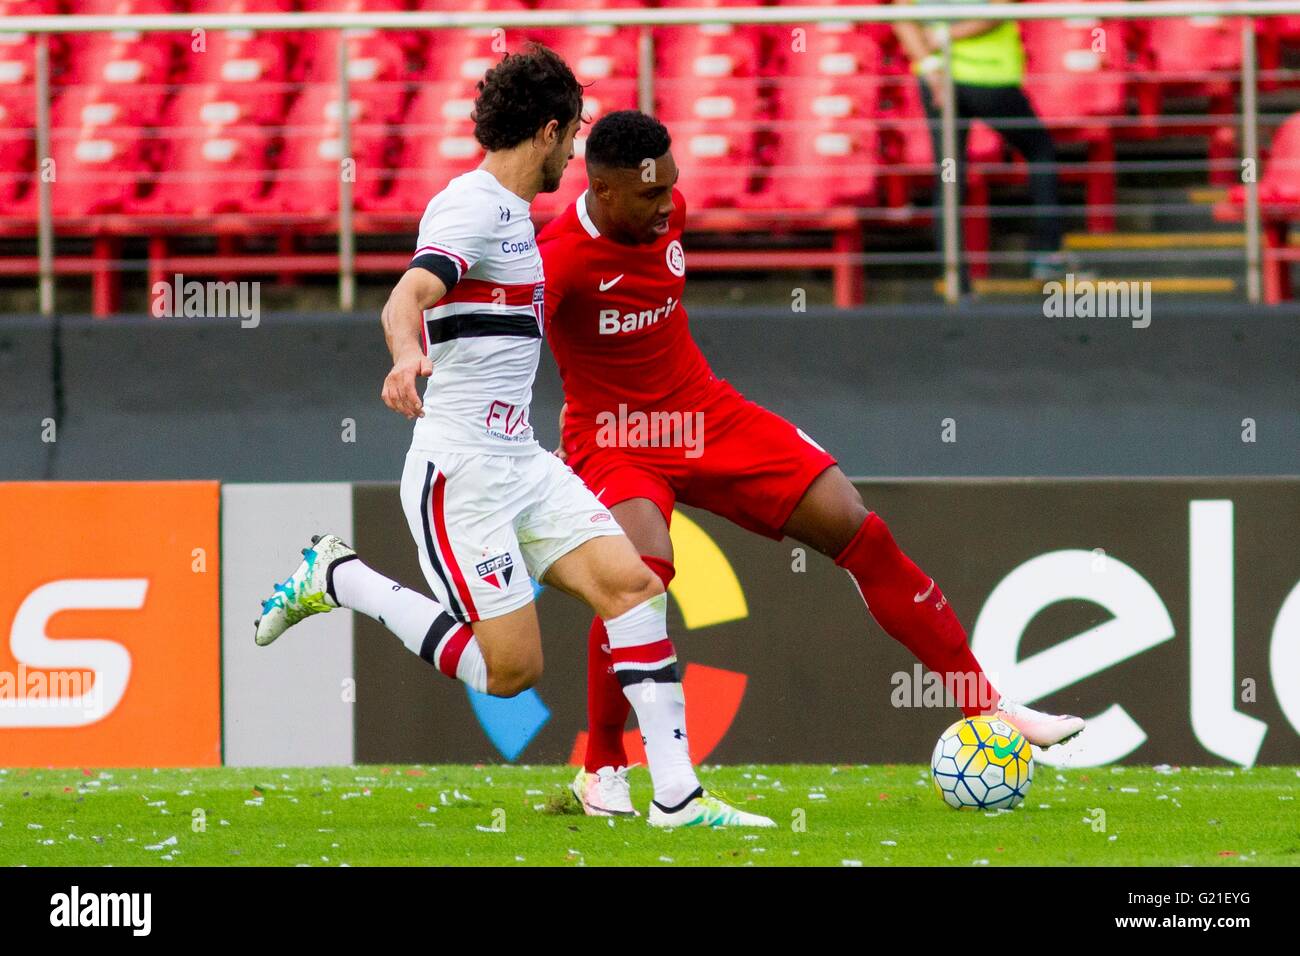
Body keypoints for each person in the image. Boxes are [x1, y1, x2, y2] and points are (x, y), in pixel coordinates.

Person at [253, 48, 771, 829]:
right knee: (511, 671)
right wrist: (404, 356)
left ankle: (676, 797)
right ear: (551, 129)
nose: (575, 152)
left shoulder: (517, 218)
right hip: (459, 474)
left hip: (522, 461)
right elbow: (410, 293)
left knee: (634, 589)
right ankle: (340, 577)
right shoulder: (473, 207)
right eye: (573, 136)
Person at [537, 110, 1085, 817]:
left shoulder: (668, 212)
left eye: (671, 187)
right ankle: (603, 770)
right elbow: (513, 347)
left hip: (706, 413)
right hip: (613, 437)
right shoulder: (558, 257)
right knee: (640, 575)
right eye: (648, 195)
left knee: (857, 525)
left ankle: (992, 706)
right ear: (603, 190)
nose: (667, 203)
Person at [893, 0, 1066, 287]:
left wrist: (931, 63)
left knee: (949, 174)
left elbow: (902, 14)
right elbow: (999, 10)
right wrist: (941, 47)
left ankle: (955, 280)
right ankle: (1048, 256)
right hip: (988, 77)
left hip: (940, 77)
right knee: (1039, 150)